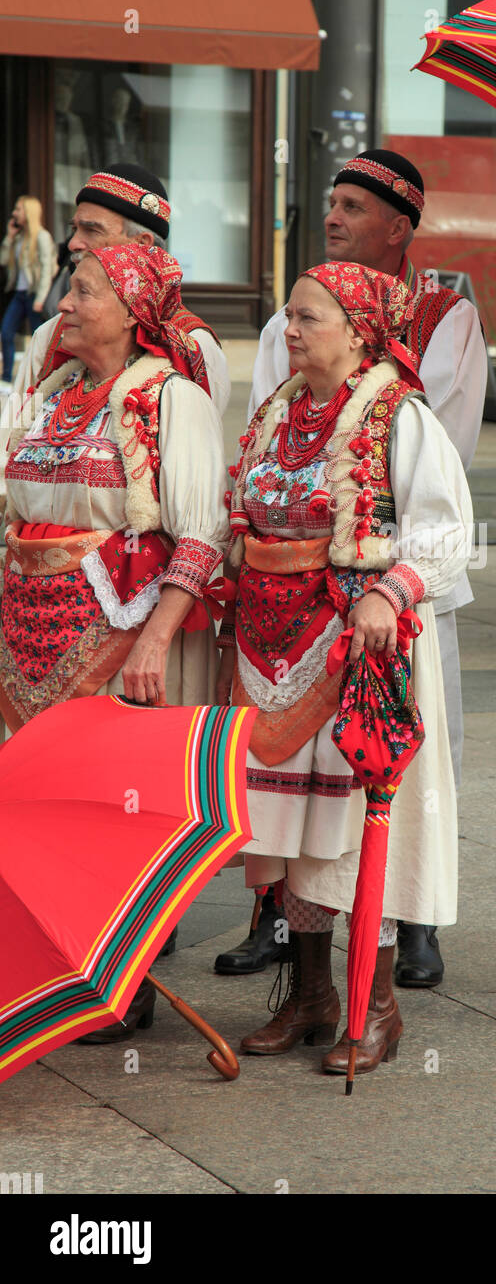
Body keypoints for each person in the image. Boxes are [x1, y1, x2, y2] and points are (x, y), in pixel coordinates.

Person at [219, 148, 487, 987]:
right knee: (298, 788)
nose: (332, 216)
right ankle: (298, 966)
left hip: (385, 595)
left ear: (398, 224)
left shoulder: (441, 328)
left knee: (394, 765)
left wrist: (383, 577)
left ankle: (401, 935)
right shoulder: (287, 334)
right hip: (286, 618)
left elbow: (445, 469)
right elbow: (271, 444)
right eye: (330, 203)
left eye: (351, 207)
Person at [0, 241, 228, 1038]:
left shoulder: (173, 402)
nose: (63, 304)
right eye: (67, 290)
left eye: (83, 292)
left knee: (110, 812)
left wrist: (155, 642)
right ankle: (63, 975)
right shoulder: (51, 393)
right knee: (43, 811)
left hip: (117, 636)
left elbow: (203, 537)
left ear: (134, 311)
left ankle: (122, 987)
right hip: (28, 638)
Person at [5, 164, 230, 416]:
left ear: (141, 245)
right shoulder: (51, 334)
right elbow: (12, 431)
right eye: (74, 228)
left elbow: (196, 448)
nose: (73, 243)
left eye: (91, 230)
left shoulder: (195, 346)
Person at [1, 197, 56, 384]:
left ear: (28, 213)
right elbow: (2, 261)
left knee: (39, 340)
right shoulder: (18, 237)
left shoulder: (42, 236)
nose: (14, 213)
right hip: (19, 294)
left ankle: (39, 379)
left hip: (34, 295)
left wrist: (40, 298)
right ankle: (7, 379)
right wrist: (8, 237)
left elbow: (47, 269)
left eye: (18, 209)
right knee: (6, 332)